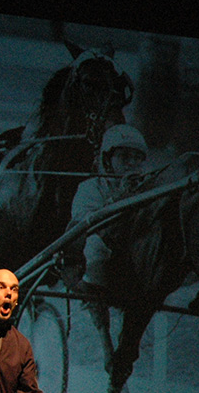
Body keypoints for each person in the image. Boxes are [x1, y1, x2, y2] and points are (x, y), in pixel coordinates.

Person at [63, 123, 149, 291]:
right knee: (94, 245)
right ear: (107, 160)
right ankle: (95, 302)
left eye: (137, 158)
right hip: (91, 258)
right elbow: (81, 225)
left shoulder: (148, 189)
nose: (132, 163)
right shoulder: (90, 188)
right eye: (125, 156)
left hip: (131, 252)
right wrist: (120, 197)